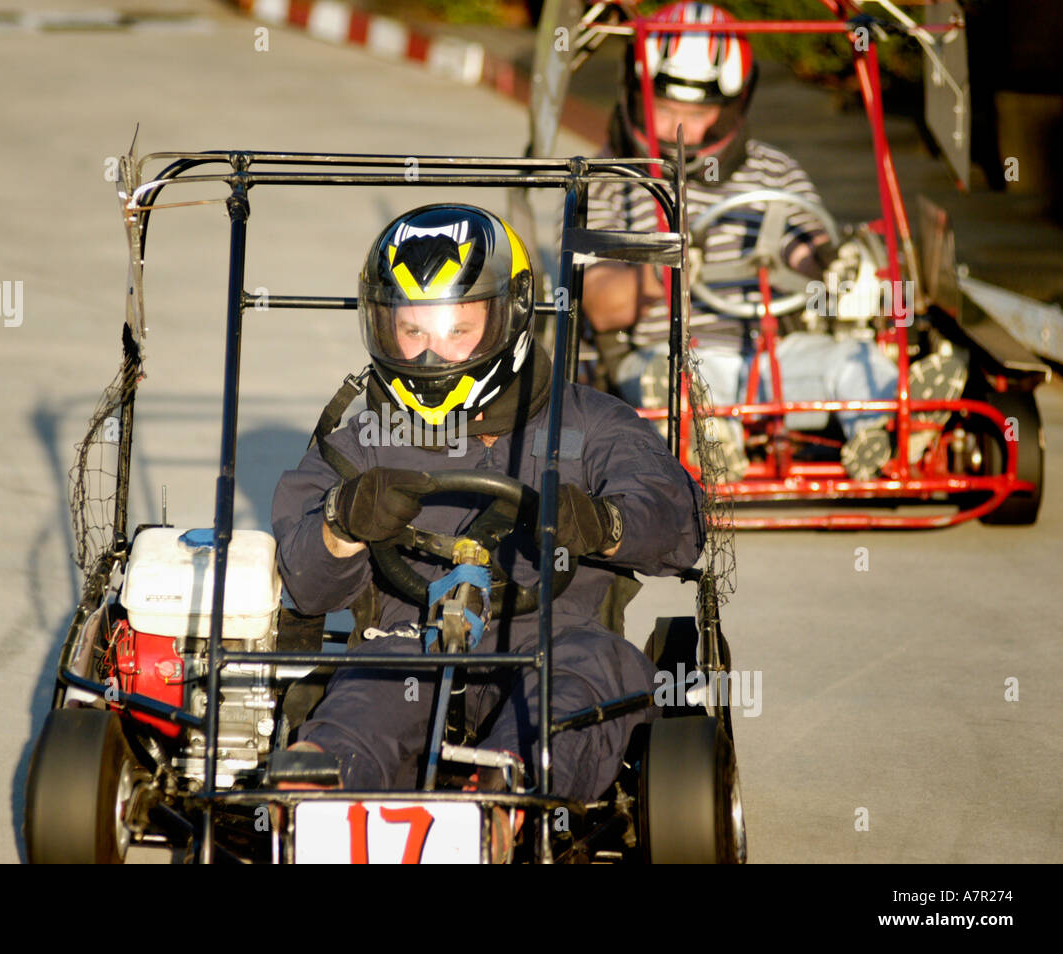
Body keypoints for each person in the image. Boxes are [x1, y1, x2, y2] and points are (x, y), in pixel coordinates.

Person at [271, 204, 705, 820]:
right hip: (411, 646)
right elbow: (306, 586)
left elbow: (678, 523)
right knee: (373, 678)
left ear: (509, 319)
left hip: (558, 647)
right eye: (413, 331)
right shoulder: (363, 439)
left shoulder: (590, 423)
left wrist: (603, 524)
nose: (430, 356)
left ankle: (503, 805)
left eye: (456, 331)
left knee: (591, 668)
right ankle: (321, 790)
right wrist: (341, 525)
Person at [582, 1, 962, 480]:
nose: (683, 129)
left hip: (771, 355)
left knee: (853, 360)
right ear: (638, 95)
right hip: (668, 355)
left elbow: (808, 247)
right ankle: (713, 443)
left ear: (734, 103)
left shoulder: (774, 171)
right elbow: (597, 304)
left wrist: (831, 265)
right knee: (694, 377)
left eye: (702, 110)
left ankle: (887, 429)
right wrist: (664, 271)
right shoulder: (608, 179)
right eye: (667, 108)